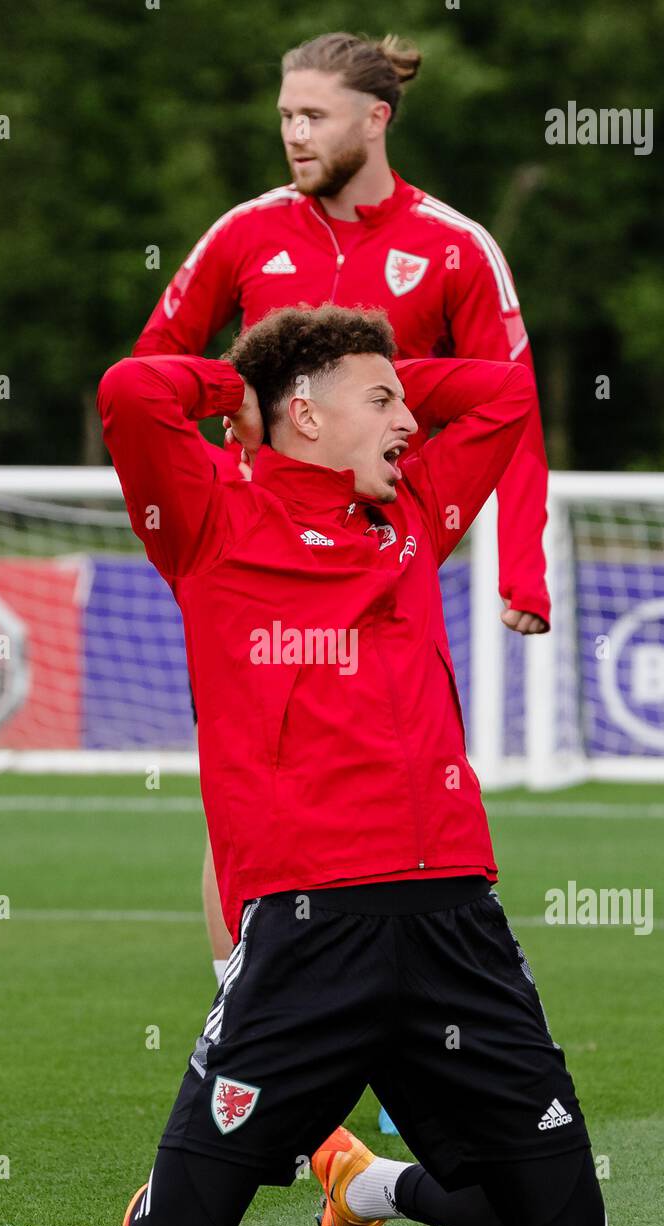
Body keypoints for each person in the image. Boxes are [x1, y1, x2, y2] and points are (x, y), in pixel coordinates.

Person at [97, 303, 607, 1226]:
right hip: (308, 929)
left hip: (453, 916)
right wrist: (236, 390)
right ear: (304, 415)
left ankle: (370, 1186)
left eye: (406, 403)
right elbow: (130, 389)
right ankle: (264, 1169)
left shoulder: (408, 511)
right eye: (382, 401)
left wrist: (370, 372)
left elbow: (502, 391)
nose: (409, 422)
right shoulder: (208, 515)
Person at [132, 33, 552, 1005]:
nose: (292, 133)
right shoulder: (242, 234)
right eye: (283, 115)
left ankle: (426, 1032)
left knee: (414, 789)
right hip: (256, 569)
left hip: (383, 562)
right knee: (238, 807)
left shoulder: (452, 247)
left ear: (376, 119)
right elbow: (154, 369)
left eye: (312, 115)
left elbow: (513, 409)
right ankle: (243, 1022)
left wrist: (517, 567)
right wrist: (209, 487)